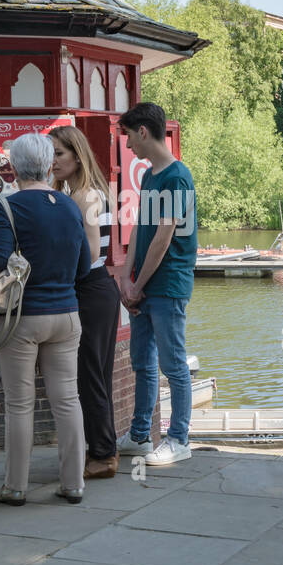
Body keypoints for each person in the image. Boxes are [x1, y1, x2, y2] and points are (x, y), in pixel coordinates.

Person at [0, 132, 91, 505]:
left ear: (12, 168)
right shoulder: (70, 206)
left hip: (22, 318)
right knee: (67, 399)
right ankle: (74, 483)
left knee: (19, 403)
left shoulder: (9, 208)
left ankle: (15, 487)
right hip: (66, 314)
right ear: (48, 165)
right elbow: (83, 266)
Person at [115, 102, 198, 466]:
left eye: (130, 137)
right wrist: (126, 275)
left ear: (144, 132)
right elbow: (139, 232)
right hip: (143, 284)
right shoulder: (149, 176)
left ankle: (179, 439)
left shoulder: (177, 177)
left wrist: (138, 283)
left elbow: (164, 238)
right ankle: (139, 436)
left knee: (173, 364)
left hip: (167, 284)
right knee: (142, 363)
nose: (129, 146)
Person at [49, 125, 121, 479]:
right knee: (94, 375)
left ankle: (104, 455)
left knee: (89, 376)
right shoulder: (86, 192)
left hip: (90, 291)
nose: (53, 161)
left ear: (77, 157)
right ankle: (101, 449)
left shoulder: (85, 196)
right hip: (98, 291)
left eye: (59, 154)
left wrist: (53, 268)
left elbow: (91, 251)